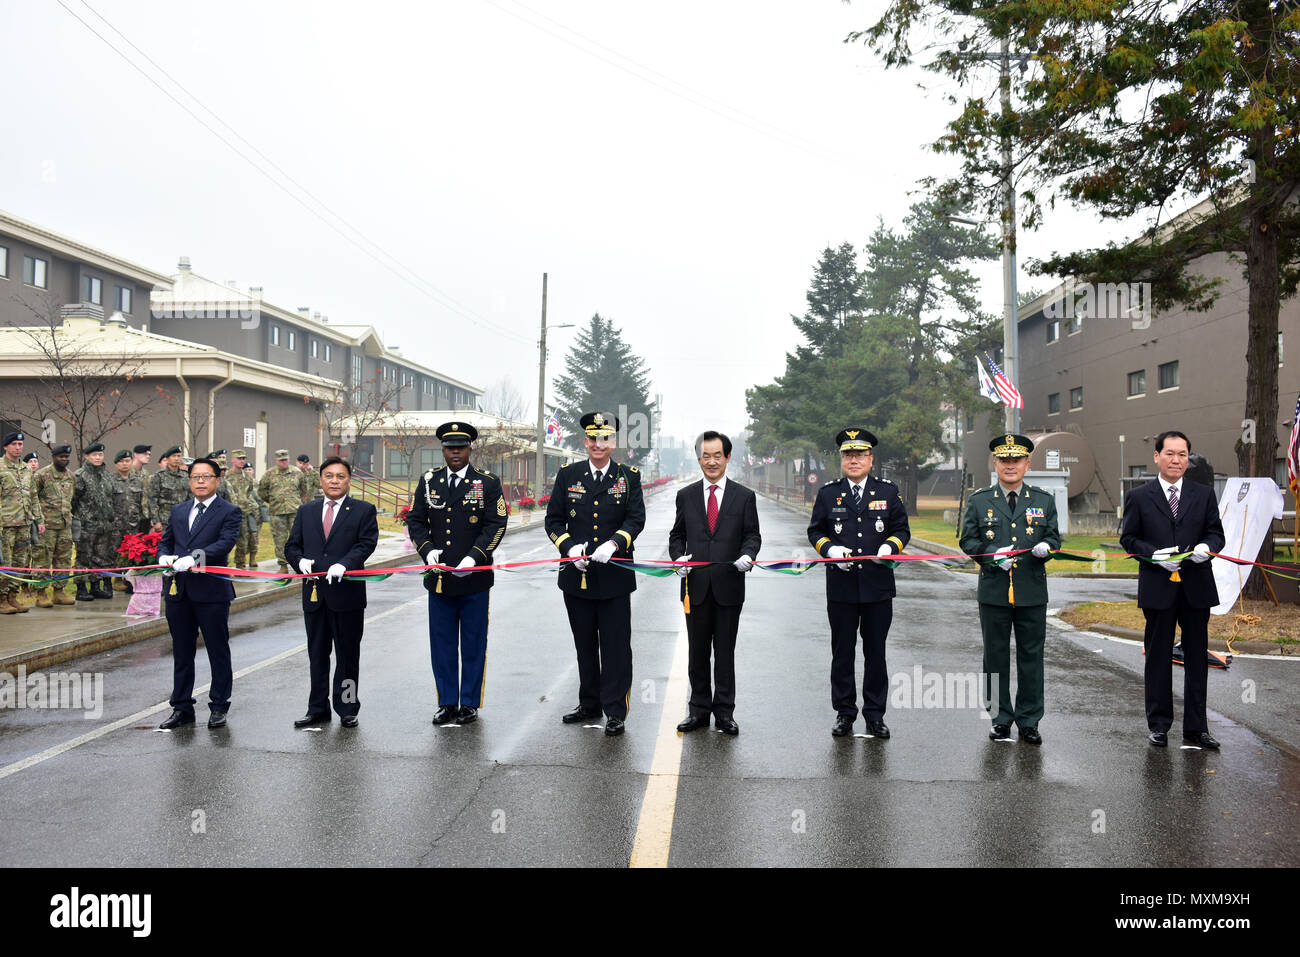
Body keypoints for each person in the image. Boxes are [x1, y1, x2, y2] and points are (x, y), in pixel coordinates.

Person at [1119, 430, 1226, 750]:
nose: (1176, 460)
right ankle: (1159, 725)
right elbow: (1128, 539)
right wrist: (1153, 556)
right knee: (1158, 657)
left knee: (1197, 658)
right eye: (1170, 453)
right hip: (1158, 586)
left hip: (1196, 586)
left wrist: (1208, 546)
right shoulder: (1139, 496)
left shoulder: (1203, 494)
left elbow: (1216, 534)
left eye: (1182, 454)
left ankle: (1197, 728)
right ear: (1157, 457)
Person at [544, 412, 645, 736]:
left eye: (604, 439)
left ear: (613, 442)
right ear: (584, 441)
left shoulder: (628, 476)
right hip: (577, 575)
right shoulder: (567, 474)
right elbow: (554, 520)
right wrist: (570, 548)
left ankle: (615, 710)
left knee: (615, 646)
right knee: (584, 643)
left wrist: (615, 544)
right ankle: (589, 703)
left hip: (614, 575)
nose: (598, 444)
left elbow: (635, 519)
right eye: (592, 438)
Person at [807, 428, 910, 739]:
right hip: (841, 586)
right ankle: (844, 712)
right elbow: (815, 531)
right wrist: (830, 549)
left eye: (860, 455)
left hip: (877, 587)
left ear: (871, 459)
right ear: (841, 459)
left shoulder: (889, 492)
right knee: (842, 652)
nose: (854, 460)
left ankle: (875, 715)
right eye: (848, 455)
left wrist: (890, 546)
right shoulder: (828, 493)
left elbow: (902, 529)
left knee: (875, 652)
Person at [959, 434, 1061, 746]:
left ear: (1027, 464)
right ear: (995, 463)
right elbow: (968, 541)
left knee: (1032, 656)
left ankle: (1029, 721)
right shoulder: (979, 500)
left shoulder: (1043, 500)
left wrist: (1047, 546)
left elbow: (1055, 537)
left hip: (1031, 590)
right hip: (994, 591)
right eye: (1004, 460)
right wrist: (991, 557)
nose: (1010, 466)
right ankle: (1000, 719)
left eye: (1016, 460)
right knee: (995, 657)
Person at [405, 422, 508, 726]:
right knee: (443, 643)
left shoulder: (487, 483)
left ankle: (470, 703)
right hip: (439, 578)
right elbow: (416, 520)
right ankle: (447, 702)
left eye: (460, 447)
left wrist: (475, 557)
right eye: (450, 448)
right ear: (443, 449)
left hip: (474, 579)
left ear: (470, 448)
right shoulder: (428, 481)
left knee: (473, 642)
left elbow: (496, 524)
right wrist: (427, 550)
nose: (455, 453)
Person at [667, 430, 761, 735]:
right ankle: (698, 711)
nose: (711, 461)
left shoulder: (744, 496)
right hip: (694, 588)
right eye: (705, 456)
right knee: (696, 653)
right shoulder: (686, 495)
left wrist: (748, 556)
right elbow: (677, 535)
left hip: (729, 586)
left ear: (728, 457)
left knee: (724, 653)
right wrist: (678, 558)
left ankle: (724, 712)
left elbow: (752, 535)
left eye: (717, 455)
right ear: (698, 459)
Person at [284, 456, 378, 729]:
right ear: (320, 478)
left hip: (346, 595)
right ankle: (317, 709)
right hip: (314, 596)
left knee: (347, 656)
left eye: (340, 476)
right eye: (329, 476)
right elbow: (292, 546)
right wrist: (298, 561)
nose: (334, 481)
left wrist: (345, 564)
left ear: (349, 480)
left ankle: (347, 706)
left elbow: (365, 544)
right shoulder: (307, 511)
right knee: (317, 654)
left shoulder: (363, 510)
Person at [156, 457, 243, 730]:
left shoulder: (229, 511)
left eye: (206, 476)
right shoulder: (179, 510)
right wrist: (163, 557)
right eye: (195, 477)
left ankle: (219, 706)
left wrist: (196, 557)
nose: (201, 481)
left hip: (211, 592)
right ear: (189, 480)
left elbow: (225, 543)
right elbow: (166, 540)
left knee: (217, 650)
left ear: (218, 480)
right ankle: (181, 707)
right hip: (178, 590)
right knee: (182, 652)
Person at [0, 431, 43, 614]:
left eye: (20, 444)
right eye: (14, 445)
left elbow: (33, 496)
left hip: (24, 524)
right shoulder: (1, 468)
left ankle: (13, 596)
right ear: (6, 446)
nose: (18, 448)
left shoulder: (26, 469)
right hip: (5, 524)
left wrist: (39, 519)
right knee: (5, 563)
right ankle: (1, 599)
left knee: (19, 562)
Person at [32, 445, 76, 607]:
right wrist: (37, 521)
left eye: (66, 457)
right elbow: (33, 498)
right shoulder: (42, 475)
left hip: (65, 525)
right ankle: (41, 593)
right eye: (61, 457)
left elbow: (72, 499)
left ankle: (59, 591)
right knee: (42, 559)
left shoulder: (71, 476)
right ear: (53, 456)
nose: (64, 459)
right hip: (47, 526)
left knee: (63, 560)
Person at [71, 442, 116, 601]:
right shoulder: (80, 475)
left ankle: (96, 586)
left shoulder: (106, 475)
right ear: (87, 456)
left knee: (100, 557)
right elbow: (73, 500)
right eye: (95, 455)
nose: (98, 457)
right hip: (86, 525)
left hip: (104, 525)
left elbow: (112, 497)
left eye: (100, 454)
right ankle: (81, 588)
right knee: (84, 557)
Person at [259, 449, 310, 574]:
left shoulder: (297, 472)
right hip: (277, 512)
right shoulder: (269, 474)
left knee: (299, 537)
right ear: (276, 460)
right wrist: (274, 500)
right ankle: (283, 565)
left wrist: (298, 502)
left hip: (295, 511)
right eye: (281, 460)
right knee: (280, 540)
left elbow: (304, 489)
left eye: (286, 459)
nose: (284, 462)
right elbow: (262, 491)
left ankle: (300, 563)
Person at [108, 449, 147, 594]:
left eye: (127, 461)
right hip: (116, 524)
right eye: (121, 461)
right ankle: (116, 580)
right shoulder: (110, 480)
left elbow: (142, 502)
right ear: (116, 464)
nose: (125, 464)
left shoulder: (138, 481)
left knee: (131, 553)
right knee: (115, 551)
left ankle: (128, 579)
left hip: (133, 524)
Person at [226, 450, 263, 569]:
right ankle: (224, 564)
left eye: (243, 458)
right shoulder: (227, 476)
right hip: (230, 513)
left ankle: (240, 564)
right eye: (239, 458)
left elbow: (249, 492)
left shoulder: (246, 476)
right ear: (232, 460)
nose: (242, 461)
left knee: (244, 540)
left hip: (244, 512)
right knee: (227, 540)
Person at [146, 446, 190, 533]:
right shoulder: (159, 476)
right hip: (164, 520)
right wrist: (156, 521)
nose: (177, 459)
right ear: (167, 458)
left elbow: (191, 498)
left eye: (178, 456)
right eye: (174, 456)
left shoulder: (186, 476)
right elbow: (152, 500)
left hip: (182, 519)